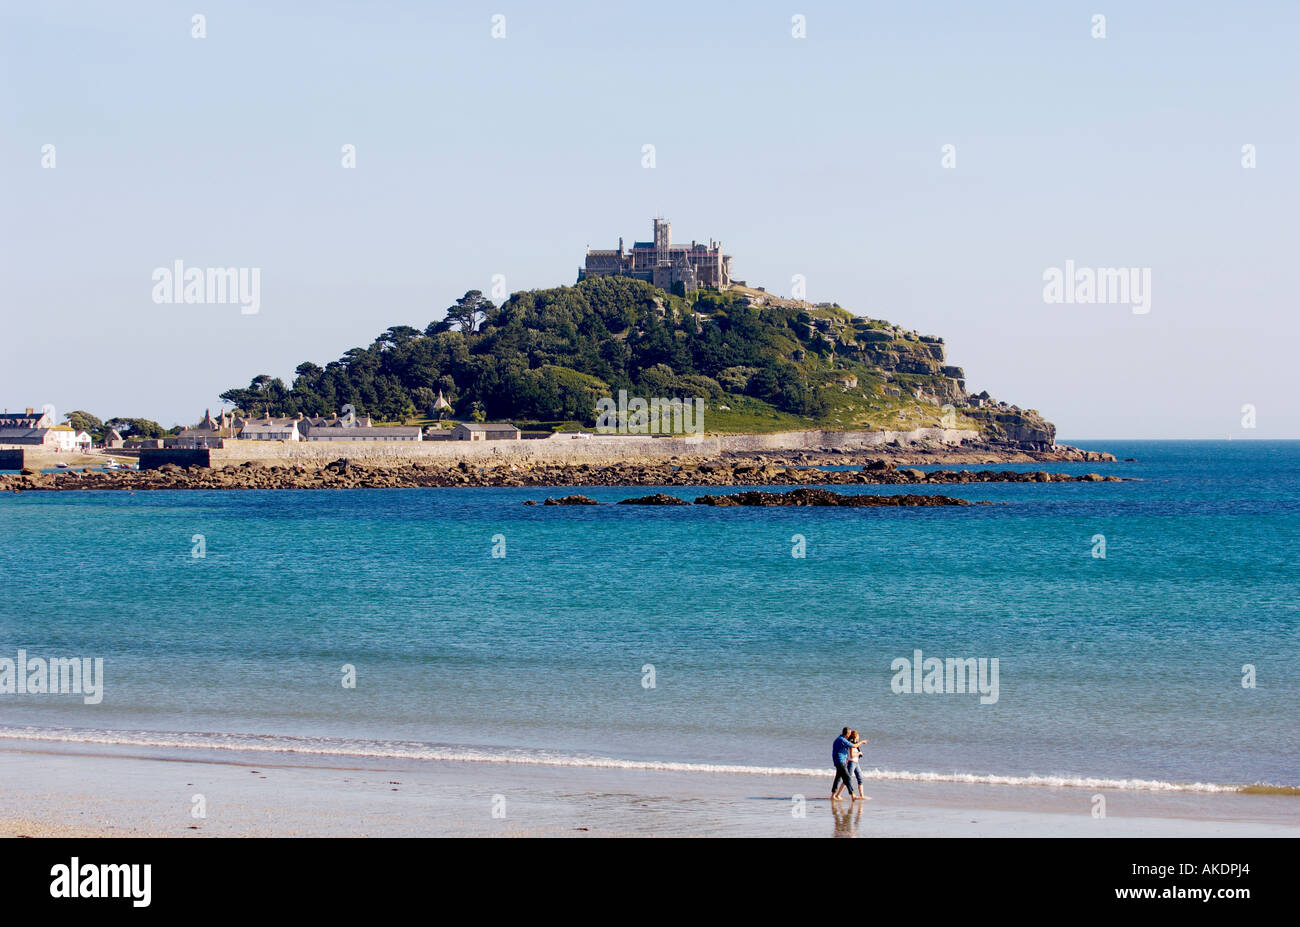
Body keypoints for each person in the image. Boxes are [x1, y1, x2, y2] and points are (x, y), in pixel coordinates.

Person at [831, 727, 857, 800]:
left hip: (838, 761)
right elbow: (854, 746)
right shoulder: (842, 740)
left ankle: (833, 795)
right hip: (840, 761)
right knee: (847, 777)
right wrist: (862, 742)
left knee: (838, 778)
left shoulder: (839, 739)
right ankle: (853, 795)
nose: (850, 735)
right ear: (847, 733)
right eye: (850, 733)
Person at [847, 730, 868, 799]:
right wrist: (859, 753)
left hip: (856, 763)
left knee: (860, 778)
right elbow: (852, 755)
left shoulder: (856, 744)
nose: (859, 737)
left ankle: (862, 795)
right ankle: (837, 794)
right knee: (847, 779)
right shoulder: (851, 744)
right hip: (852, 762)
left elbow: (857, 745)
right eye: (858, 736)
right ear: (855, 736)